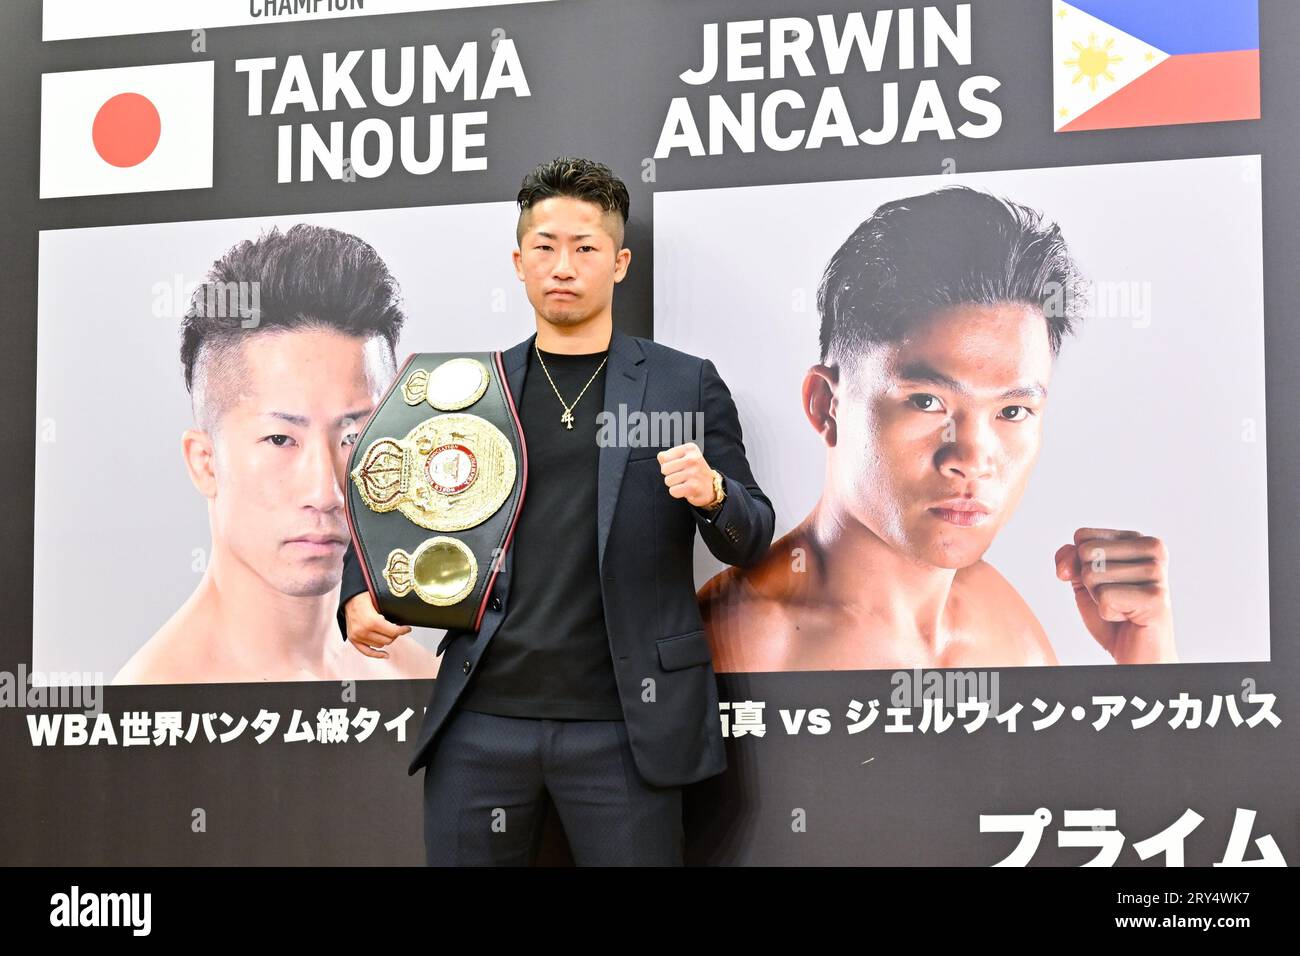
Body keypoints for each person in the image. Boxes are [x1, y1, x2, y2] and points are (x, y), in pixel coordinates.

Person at [339, 157, 775, 865]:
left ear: (620, 262)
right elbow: (393, 499)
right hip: (482, 720)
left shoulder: (678, 382)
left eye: (585, 248)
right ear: (518, 262)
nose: (563, 266)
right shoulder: (466, 389)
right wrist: (359, 595)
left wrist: (713, 494)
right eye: (544, 248)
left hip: (627, 725)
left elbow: (751, 537)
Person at [699, 185, 1177, 672]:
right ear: (826, 406)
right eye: (927, 402)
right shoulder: (744, 645)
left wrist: (1145, 664)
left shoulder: (1002, 619)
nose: (971, 458)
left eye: (1012, 411)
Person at [114, 223, 439, 684]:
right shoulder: (153, 704)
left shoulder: (419, 678)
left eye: (354, 438)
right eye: (281, 439)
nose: (326, 491)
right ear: (205, 462)